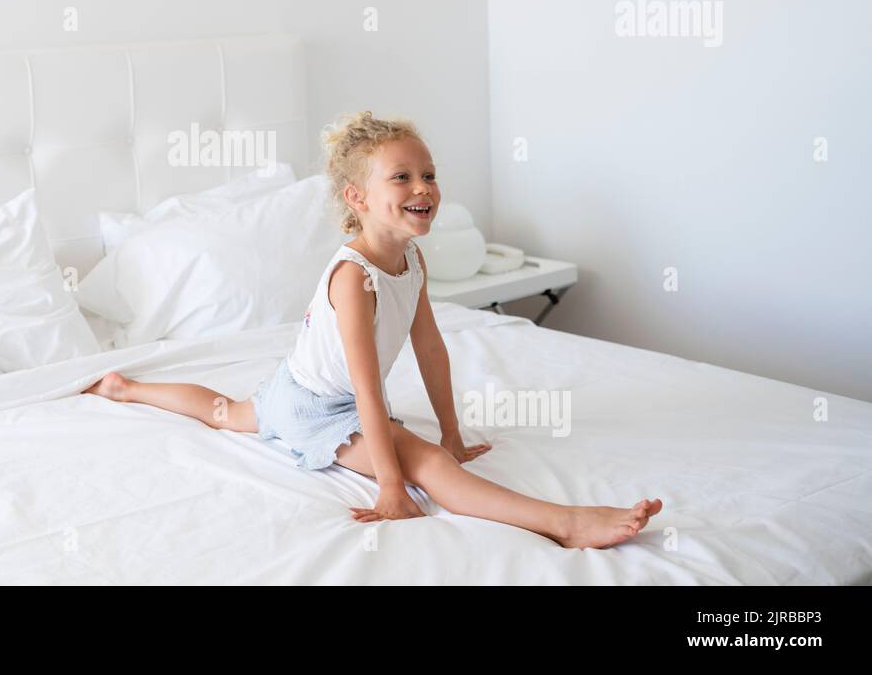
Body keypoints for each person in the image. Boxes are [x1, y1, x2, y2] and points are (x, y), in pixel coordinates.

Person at [84, 110, 661, 548]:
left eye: (429, 174)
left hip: (302, 389)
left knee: (225, 412)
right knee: (424, 466)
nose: (423, 188)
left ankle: (125, 388)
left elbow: (430, 347)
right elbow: (364, 391)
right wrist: (390, 483)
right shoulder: (352, 279)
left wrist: (452, 432)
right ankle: (567, 523)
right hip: (316, 405)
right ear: (357, 198)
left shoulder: (412, 259)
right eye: (402, 177)